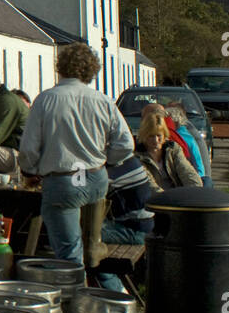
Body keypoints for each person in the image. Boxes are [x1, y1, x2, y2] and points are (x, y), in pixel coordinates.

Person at [18, 43, 134, 270]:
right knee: (89, 244)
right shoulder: (102, 100)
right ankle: (94, 265)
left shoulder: (46, 99)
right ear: (91, 70)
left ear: (60, 67)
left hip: (64, 179)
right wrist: (106, 160)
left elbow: (28, 149)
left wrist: (30, 171)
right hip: (94, 176)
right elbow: (126, 144)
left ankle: (74, 299)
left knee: (69, 254)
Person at [97, 153, 154, 292]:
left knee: (85, 239)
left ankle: (117, 291)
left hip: (134, 231)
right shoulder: (131, 161)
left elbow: (88, 194)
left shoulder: (112, 171)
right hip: (145, 227)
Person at [137, 114, 203, 190]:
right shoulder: (137, 155)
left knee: (206, 180)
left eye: (159, 136)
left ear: (164, 135)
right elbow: (150, 185)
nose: (155, 140)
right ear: (144, 135)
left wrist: (195, 190)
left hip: (178, 193)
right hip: (155, 198)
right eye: (151, 136)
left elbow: (186, 170)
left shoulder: (173, 148)